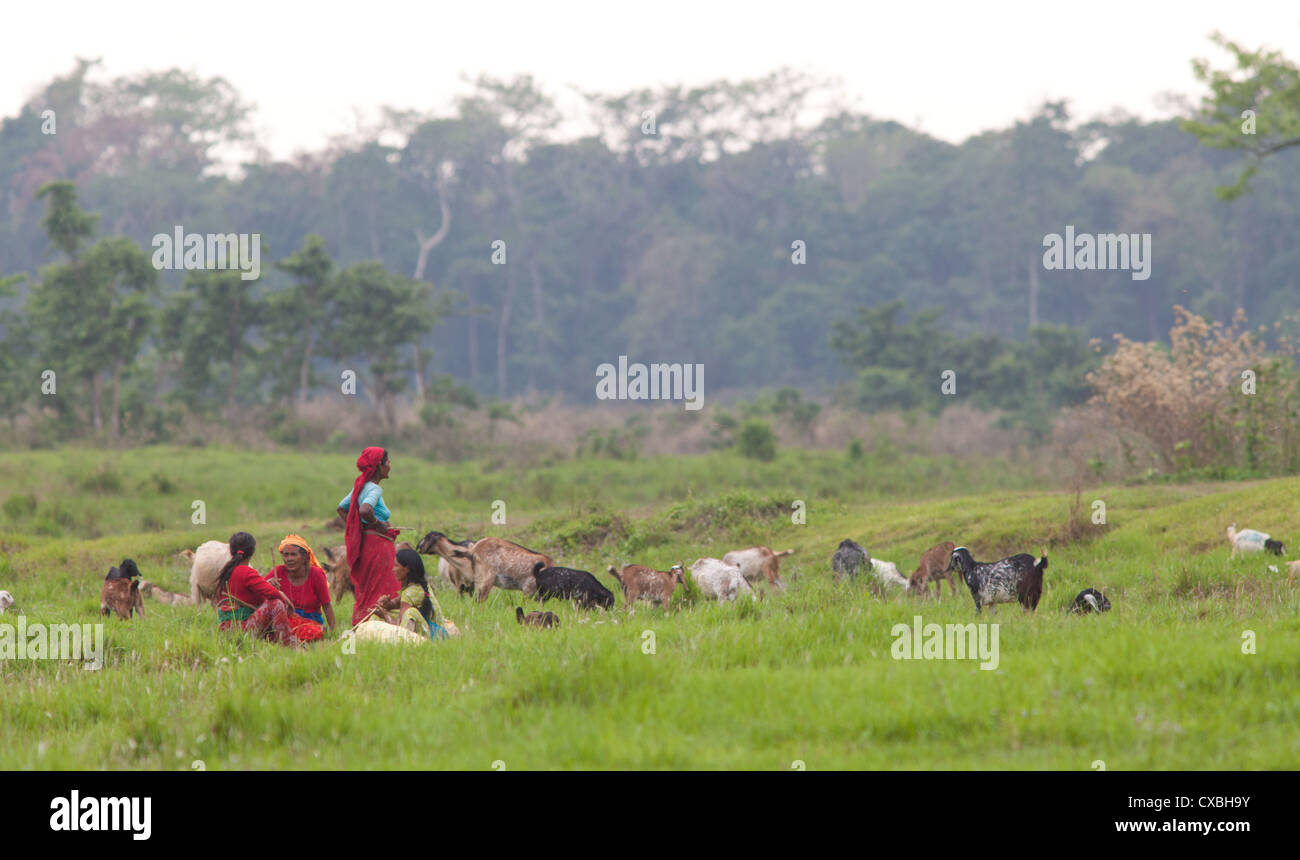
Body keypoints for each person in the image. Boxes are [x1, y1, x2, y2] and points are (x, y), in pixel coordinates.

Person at [338, 447, 400, 626]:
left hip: (366, 545)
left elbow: (342, 509)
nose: (390, 466)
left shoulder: (360, 486)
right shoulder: (374, 489)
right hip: (378, 548)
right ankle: (379, 624)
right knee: (382, 587)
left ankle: (362, 623)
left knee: (367, 589)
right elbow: (365, 509)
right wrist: (376, 524)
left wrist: (359, 529)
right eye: (387, 462)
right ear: (379, 467)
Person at [215, 532, 300, 647]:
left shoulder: (228, 571)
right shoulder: (246, 571)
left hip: (227, 628)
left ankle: (273, 641)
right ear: (252, 552)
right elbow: (272, 593)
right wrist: (286, 602)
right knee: (276, 604)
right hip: (241, 627)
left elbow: (245, 594)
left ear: (231, 550)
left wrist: (265, 584)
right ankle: (288, 644)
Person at [267, 534, 335, 639]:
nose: (289, 559)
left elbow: (326, 605)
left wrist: (333, 632)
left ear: (304, 558)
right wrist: (267, 585)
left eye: (293, 554)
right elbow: (257, 593)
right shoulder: (277, 572)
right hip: (285, 621)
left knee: (313, 633)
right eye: (286, 555)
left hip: (310, 623)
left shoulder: (316, 574)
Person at [376, 548, 448, 639]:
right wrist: (386, 604)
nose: (393, 569)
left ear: (406, 569)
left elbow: (400, 626)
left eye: (396, 566)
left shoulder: (411, 593)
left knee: (410, 613)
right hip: (440, 631)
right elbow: (394, 604)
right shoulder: (417, 586)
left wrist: (385, 616)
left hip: (436, 635)